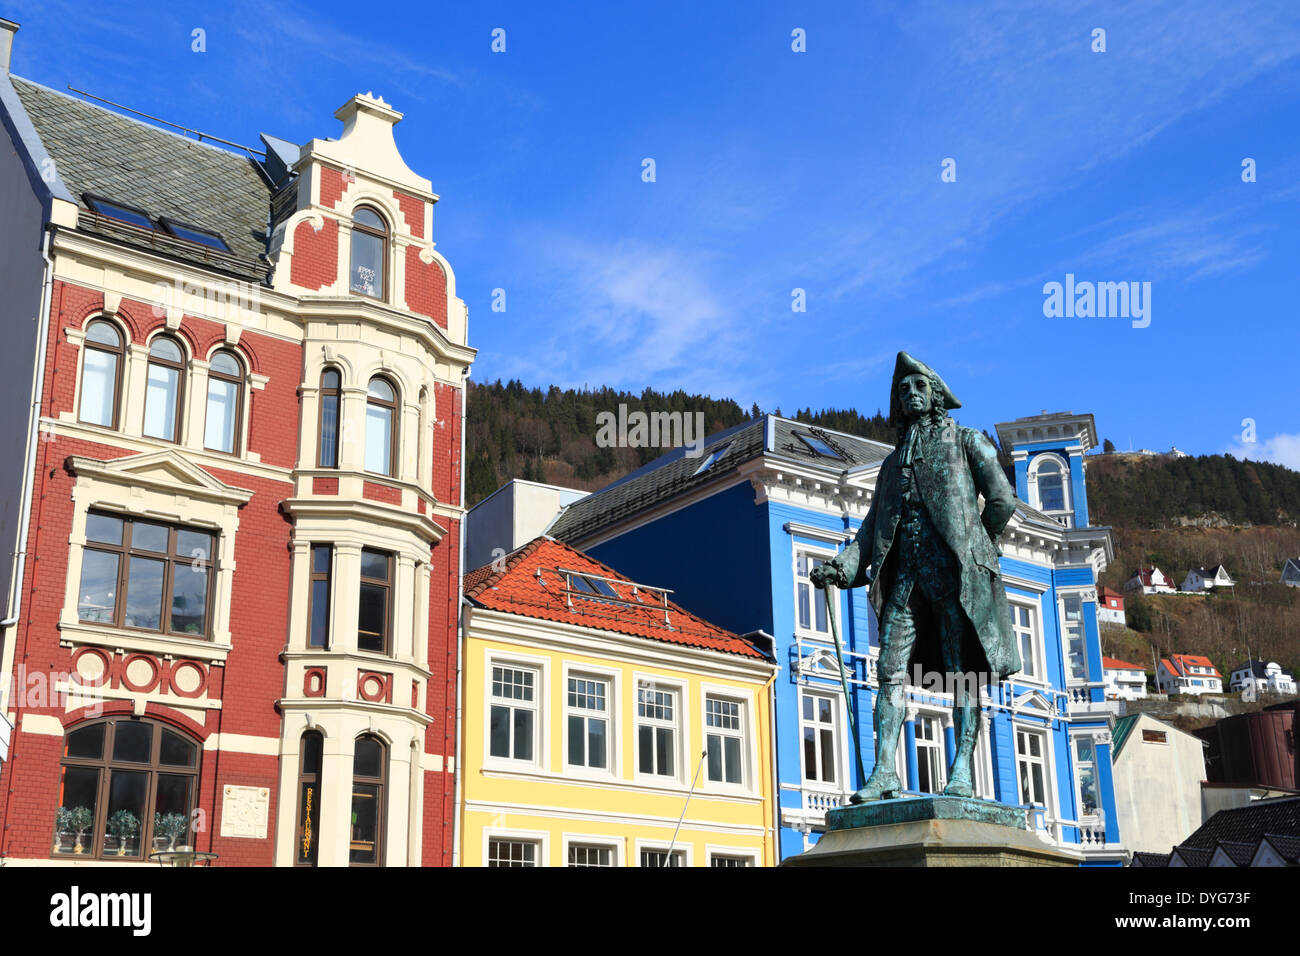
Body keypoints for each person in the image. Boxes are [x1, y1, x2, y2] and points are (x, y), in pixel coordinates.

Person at [811, 352, 1019, 801]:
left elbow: (1002, 499)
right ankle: (885, 770)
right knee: (889, 670)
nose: (910, 393)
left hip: (954, 578)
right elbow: (872, 528)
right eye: (903, 390)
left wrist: (980, 545)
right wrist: (844, 565)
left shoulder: (966, 442)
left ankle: (961, 769)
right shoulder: (889, 466)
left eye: (919, 386)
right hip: (904, 580)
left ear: (937, 394)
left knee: (962, 674)